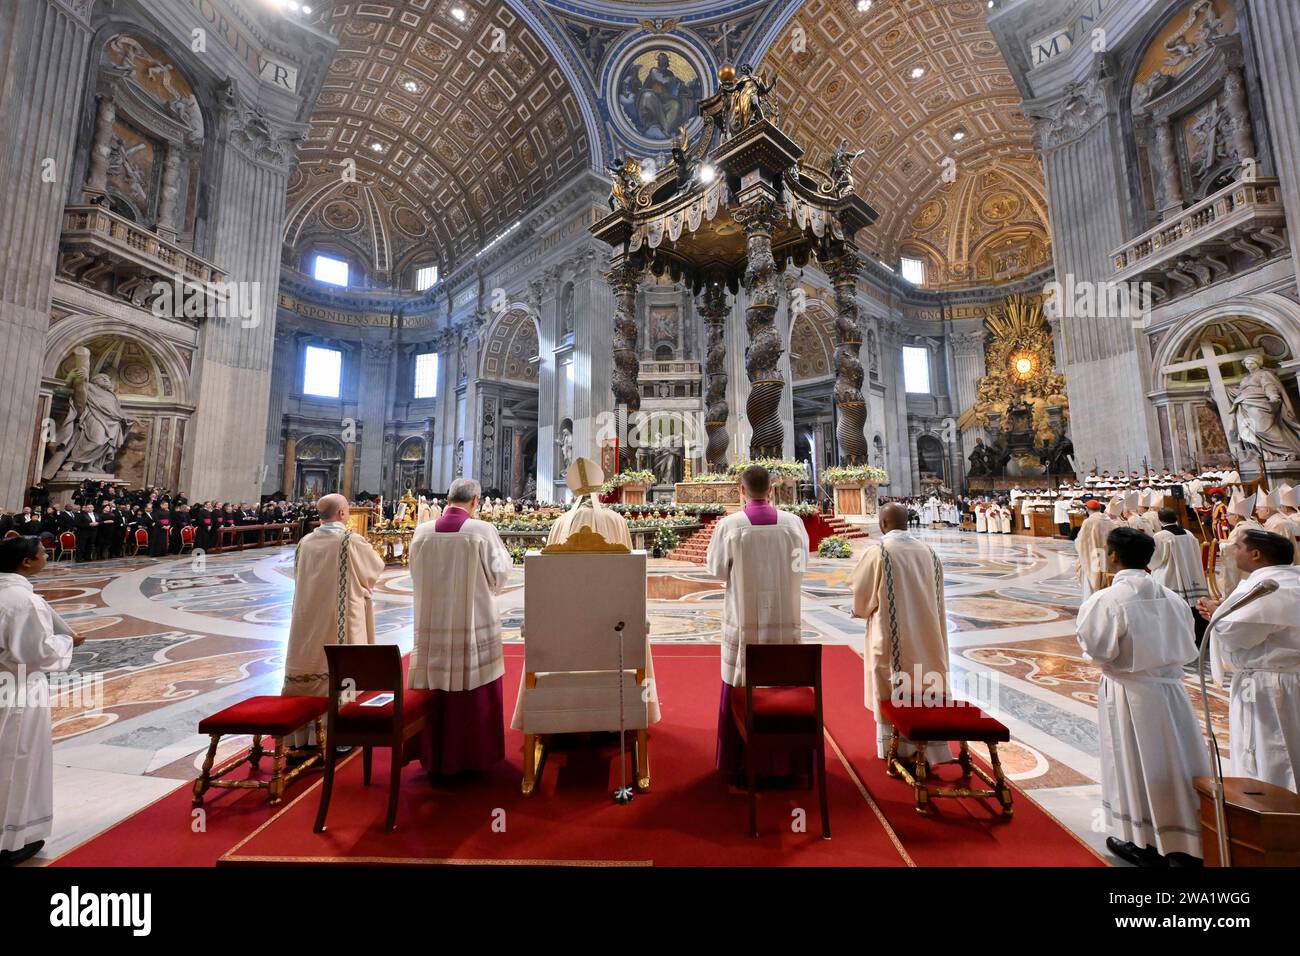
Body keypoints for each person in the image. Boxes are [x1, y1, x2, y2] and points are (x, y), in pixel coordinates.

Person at [1076, 527, 1209, 866]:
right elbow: (1189, 643)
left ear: (1113, 556)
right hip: (1172, 692)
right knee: (1177, 760)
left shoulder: (1107, 600)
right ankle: (1185, 835)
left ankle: (1144, 840)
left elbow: (1096, 648)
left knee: (1135, 762)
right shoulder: (1172, 597)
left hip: (1129, 693)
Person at [706, 464, 809, 779]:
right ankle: (788, 766)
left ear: (741, 490)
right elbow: (802, 565)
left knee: (742, 677)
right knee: (783, 679)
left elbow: (717, 570)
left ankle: (739, 764)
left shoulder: (730, 526)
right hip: (784, 617)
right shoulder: (794, 525)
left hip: (744, 618)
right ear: (772, 489)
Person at [408, 478, 511, 776]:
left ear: (449, 498)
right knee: (473, 680)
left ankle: (434, 755)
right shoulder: (481, 531)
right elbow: (499, 575)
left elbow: (415, 574)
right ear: (476, 501)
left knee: (435, 682)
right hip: (472, 619)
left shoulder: (423, 532)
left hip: (431, 621)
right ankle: (472, 756)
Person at [280, 494, 386, 750]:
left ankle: (302, 736)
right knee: (341, 666)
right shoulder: (350, 541)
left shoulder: (304, 542)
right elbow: (375, 568)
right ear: (341, 514)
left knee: (310, 662)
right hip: (341, 614)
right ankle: (338, 736)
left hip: (307, 619)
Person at [1197, 530, 1300, 792]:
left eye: (1239, 547)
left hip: (1268, 684)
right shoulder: (1292, 581)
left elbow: (1236, 634)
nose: (1234, 552)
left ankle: (1277, 815)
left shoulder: (1267, 588)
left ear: (1256, 554)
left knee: (1270, 752)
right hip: (1290, 677)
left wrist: (1215, 614)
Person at [0, 537, 82, 866]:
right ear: (26, 563)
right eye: (43, 553)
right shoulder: (25, 601)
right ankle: (11, 840)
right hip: (18, 690)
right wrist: (66, 640)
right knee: (17, 761)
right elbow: (39, 653)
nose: (46, 556)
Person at [850, 502, 952, 765]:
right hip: (929, 637)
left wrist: (859, 609)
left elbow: (862, 595)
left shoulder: (880, 552)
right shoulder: (930, 552)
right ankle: (930, 750)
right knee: (926, 682)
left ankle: (897, 749)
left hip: (892, 635)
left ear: (883, 523)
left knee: (892, 684)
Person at [1149, 508, 1211, 645]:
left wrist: (1150, 564)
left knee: (1170, 607)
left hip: (1171, 577)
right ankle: (1199, 638)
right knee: (1194, 607)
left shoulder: (1161, 536)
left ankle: (1174, 640)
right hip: (1192, 574)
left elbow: (1155, 561)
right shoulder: (1189, 534)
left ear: (1159, 520)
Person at [546, 458, 632, 549]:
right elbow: (628, 559)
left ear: (575, 495)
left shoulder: (560, 522)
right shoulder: (617, 520)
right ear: (599, 492)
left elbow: (550, 559)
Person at [1075, 499, 1118, 598]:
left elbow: (1081, 542)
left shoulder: (1089, 521)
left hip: (1092, 557)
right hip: (1107, 556)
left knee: (1091, 588)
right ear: (1099, 508)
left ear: (1087, 509)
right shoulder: (1109, 520)